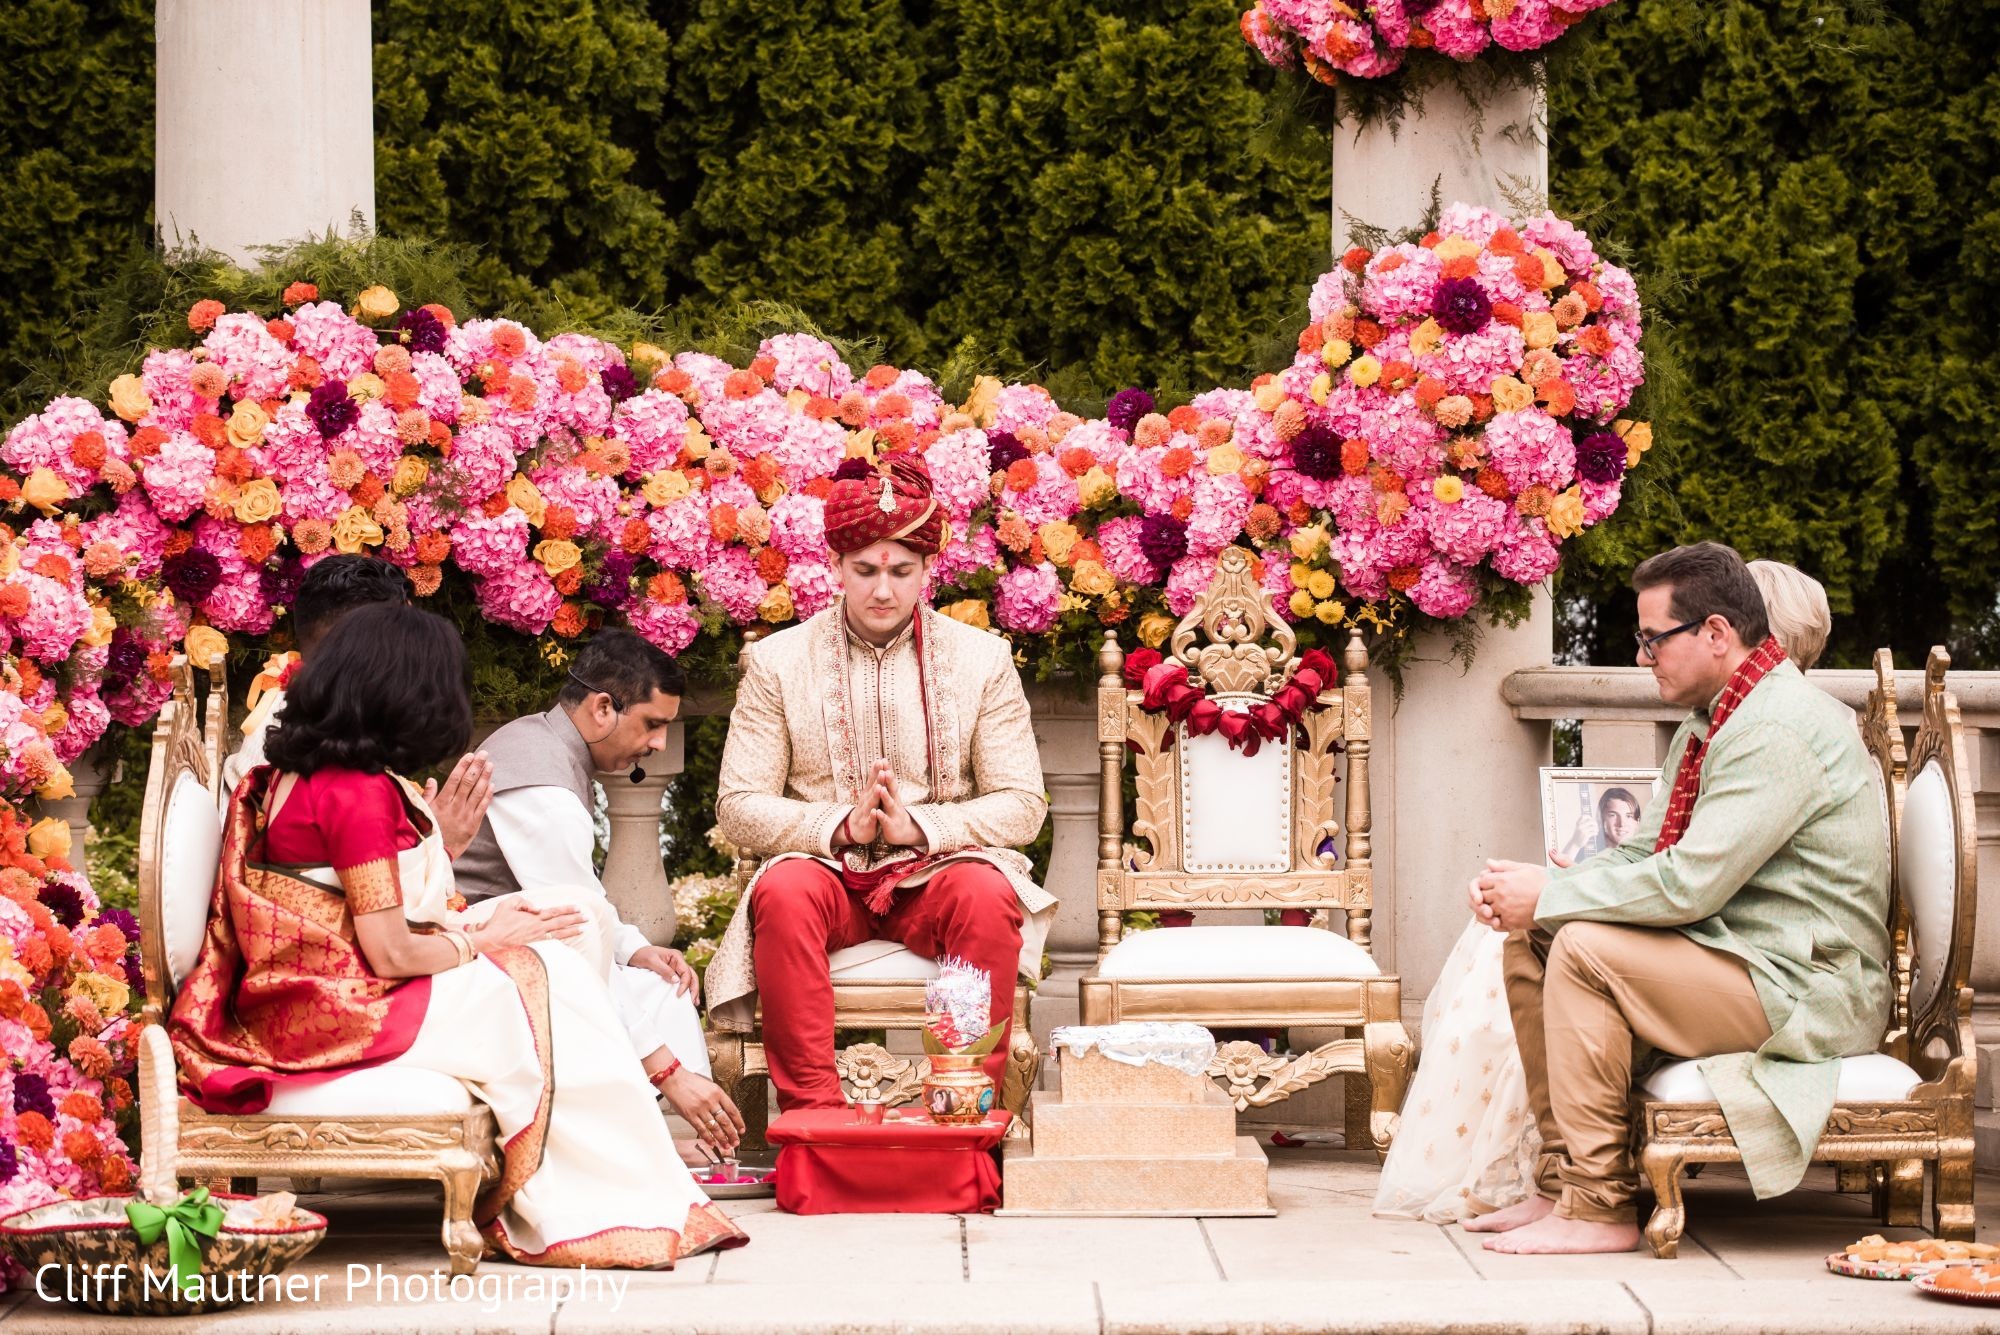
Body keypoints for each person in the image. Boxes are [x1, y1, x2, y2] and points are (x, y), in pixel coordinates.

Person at [168, 604, 746, 1267]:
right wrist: (485, 935)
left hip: (311, 990)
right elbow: (390, 950)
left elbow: (359, 910)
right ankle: (595, 1205)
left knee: (553, 946)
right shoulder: (354, 791)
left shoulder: (311, 772)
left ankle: (620, 1171)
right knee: (548, 987)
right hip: (340, 1008)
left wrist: (451, 846)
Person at [1375, 554, 1846, 1227]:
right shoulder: (1713, 719)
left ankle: (1599, 1208)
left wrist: (1552, 896)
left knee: (1583, 949)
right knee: (1533, 941)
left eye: (1654, 638)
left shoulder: (1774, 727)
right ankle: (1562, 1182)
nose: (1642, 655)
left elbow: (1688, 885)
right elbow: (1642, 852)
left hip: (1801, 984)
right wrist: (1536, 889)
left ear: (1716, 633)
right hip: (1742, 956)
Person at [706, 452, 1055, 1110]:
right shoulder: (777, 661)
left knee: (985, 893)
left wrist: (921, 827)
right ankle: (815, 1118)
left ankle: (961, 1102)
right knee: (781, 890)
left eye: (901, 570)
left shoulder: (983, 659)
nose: (883, 590)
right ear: (835, 566)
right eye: (864, 570)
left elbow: (1023, 805)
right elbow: (738, 806)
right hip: (827, 874)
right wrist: (841, 825)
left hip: (937, 874)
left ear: (929, 569)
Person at [452, 628, 744, 1153]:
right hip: (473, 960)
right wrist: (668, 1071)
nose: (658, 745)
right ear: (603, 708)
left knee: (665, 986)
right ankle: (637, 1142)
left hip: (522, 947)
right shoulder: (541, 782)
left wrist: (636, 948)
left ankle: (687, 1146)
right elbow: (575, 924)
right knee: (626, 977)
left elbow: (577, 892)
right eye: (652, 725)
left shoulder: (542, 741)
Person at [1554, 787, 1642, 865]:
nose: (1622, 824)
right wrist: (1575, 844)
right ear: (1600, 819)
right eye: (1613, 815)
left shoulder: (1645, 858)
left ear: (1637, 822)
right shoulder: (1587, 853)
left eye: (1628, 816)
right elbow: (1558, 878)